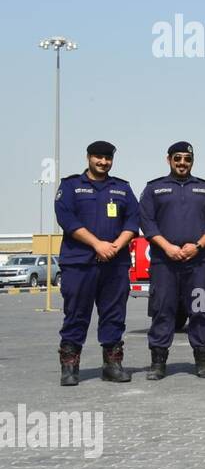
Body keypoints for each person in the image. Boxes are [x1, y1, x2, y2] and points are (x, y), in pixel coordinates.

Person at [54, 140, 139, 386]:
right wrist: (97, 244)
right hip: (79, 264)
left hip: (115, 263)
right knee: (76, 314)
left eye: (107, 158)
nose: (103, 162)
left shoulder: (122, 188)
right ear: (89, 157)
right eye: (98, 158)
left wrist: (115, 246)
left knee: (114, 315)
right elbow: (66, 219)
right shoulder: (71, 186)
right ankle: (70, 367)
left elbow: (133, 220)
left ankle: (112, 365)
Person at [137, 141, 205, 379]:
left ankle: (202, 361)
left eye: (187, 159)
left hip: (198, 264)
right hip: (165, 264)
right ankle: (158, 363)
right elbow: (147, 223)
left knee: (199, 310)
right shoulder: (154, 189)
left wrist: (197, 246)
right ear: (169, 159)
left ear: (192, 161)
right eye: (178, 158)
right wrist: (168, 247)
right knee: (163, 311)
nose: (182, 163)